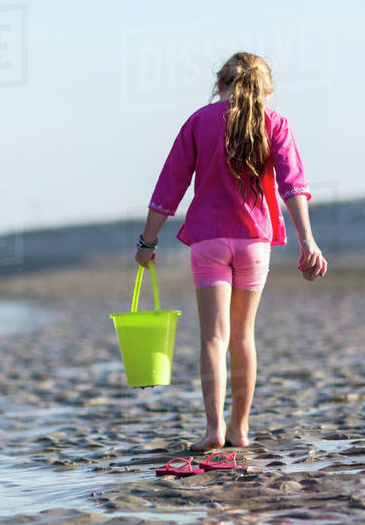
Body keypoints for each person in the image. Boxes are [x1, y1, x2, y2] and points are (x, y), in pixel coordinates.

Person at [134, 51, 328, 451]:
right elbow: (293, 186)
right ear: (266, 89)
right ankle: (240, 429)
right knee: (243, 336)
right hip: (255, 241)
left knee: (213, 339)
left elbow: (168, 188)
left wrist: (147, 242)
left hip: (208, 240)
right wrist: (307, 239)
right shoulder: (274, 122)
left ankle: (213, 429)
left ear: (220, 84)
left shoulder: (198, 122)